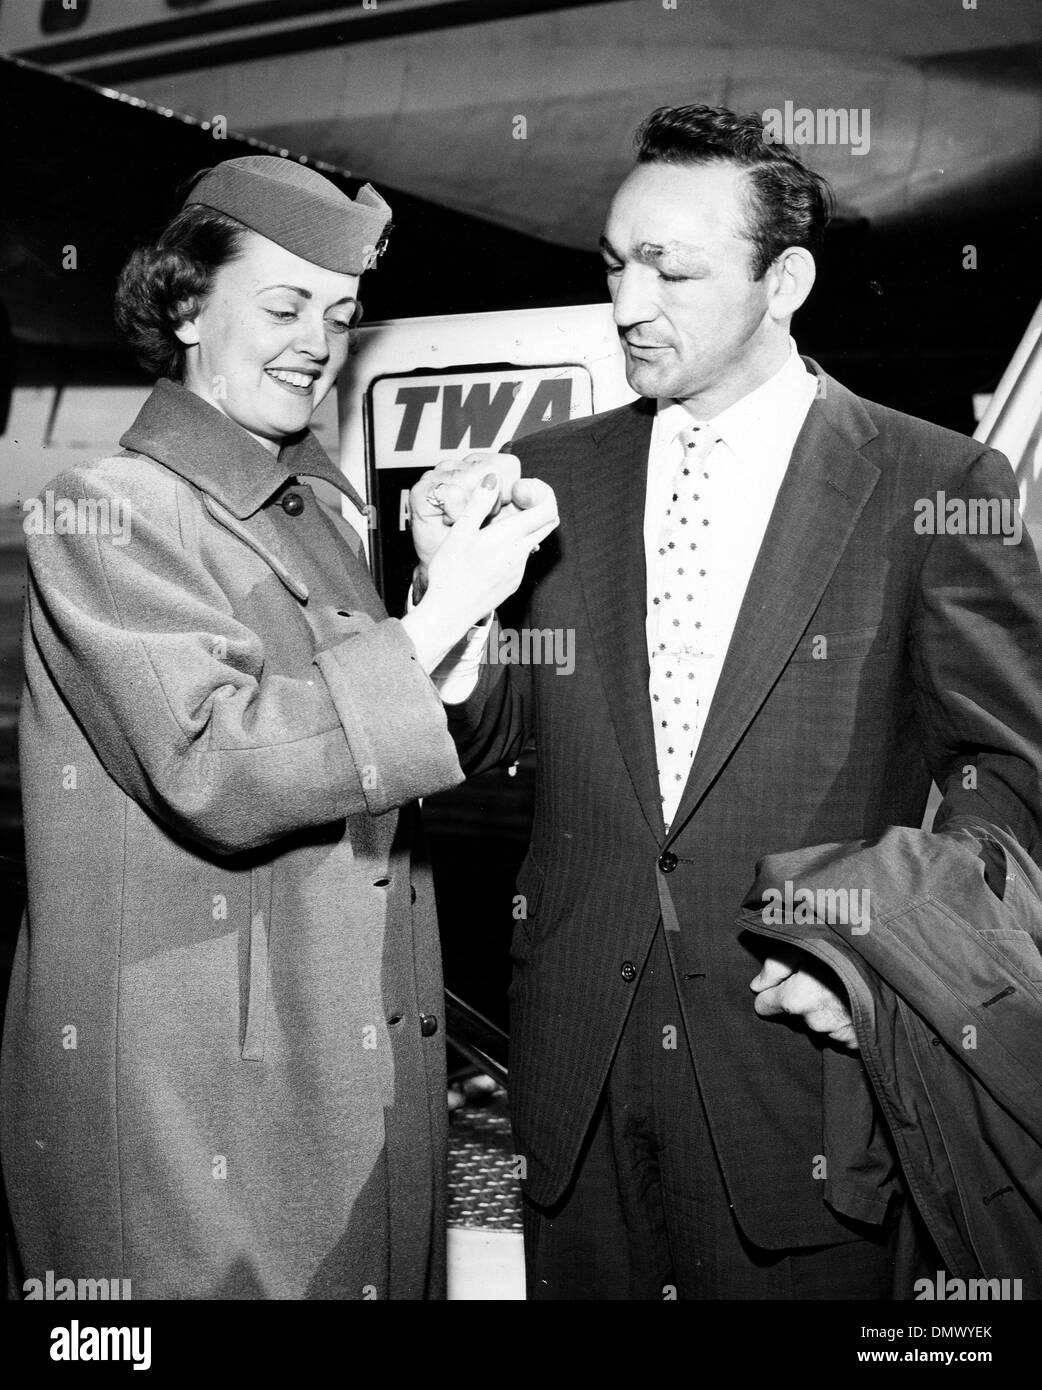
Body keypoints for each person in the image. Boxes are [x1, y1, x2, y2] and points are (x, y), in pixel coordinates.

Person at [410, 105, 1042, 1299]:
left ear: (784, 280)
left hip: (799, 1076)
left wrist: (875, 966)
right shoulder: (553, 475)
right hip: (575, 1081)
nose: (628, 304)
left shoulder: (932, 481)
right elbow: (485, 734)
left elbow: (1002, 780)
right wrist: (451, 604)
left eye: (673, 269)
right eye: (613, 262)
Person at [1, 155, 557, 1300]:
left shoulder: (314, 505)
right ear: (188, 304)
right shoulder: (112, 508)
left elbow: (399, 742)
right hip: (195, 1108)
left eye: (341, 316)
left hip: (340, 1074)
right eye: (285, 305)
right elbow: (219, 765)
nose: (318, 339)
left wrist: (458, 597)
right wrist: (436, 615)